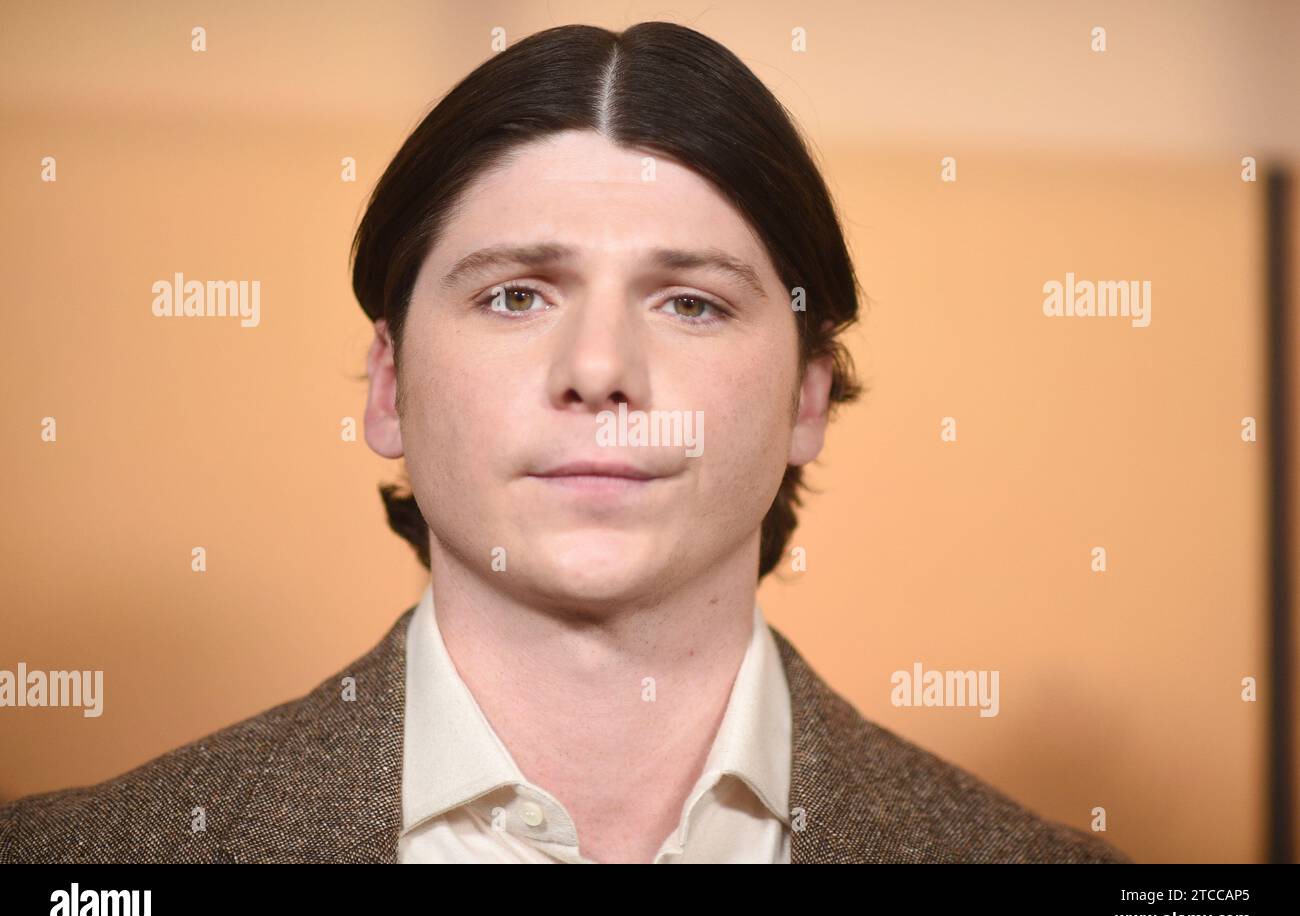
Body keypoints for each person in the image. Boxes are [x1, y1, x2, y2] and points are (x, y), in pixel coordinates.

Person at [0, 21, 1130, 864]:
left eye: (689, 302)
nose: (598, 370)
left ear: (805, 399)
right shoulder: (81, 864)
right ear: (388, 385)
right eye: (513, 296)